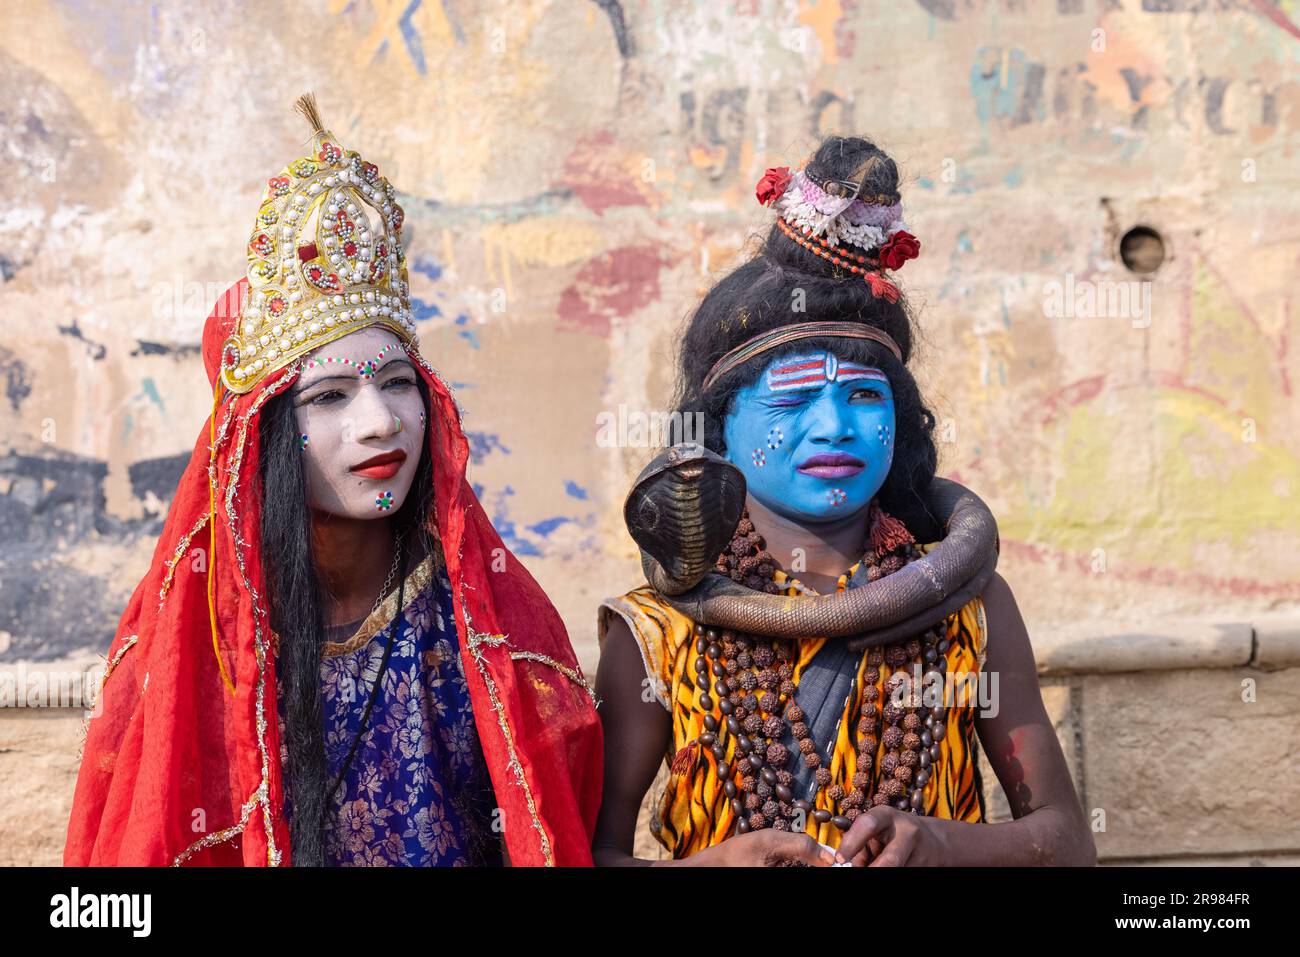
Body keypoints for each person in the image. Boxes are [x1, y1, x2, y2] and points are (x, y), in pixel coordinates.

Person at [64, 96, 602, 867]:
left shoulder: (484, 625)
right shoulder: (202, 639)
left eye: (397, 383)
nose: (379, 422)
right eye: (329, 397)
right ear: (262, 434)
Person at [593, 135, 1096, 866]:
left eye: (864, 397)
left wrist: (941, 843)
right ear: (720, 430)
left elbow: (1068, 843)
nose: (834, 426)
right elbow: (583, 851)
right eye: (794, 400)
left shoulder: (971, 607)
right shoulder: (656, 631)